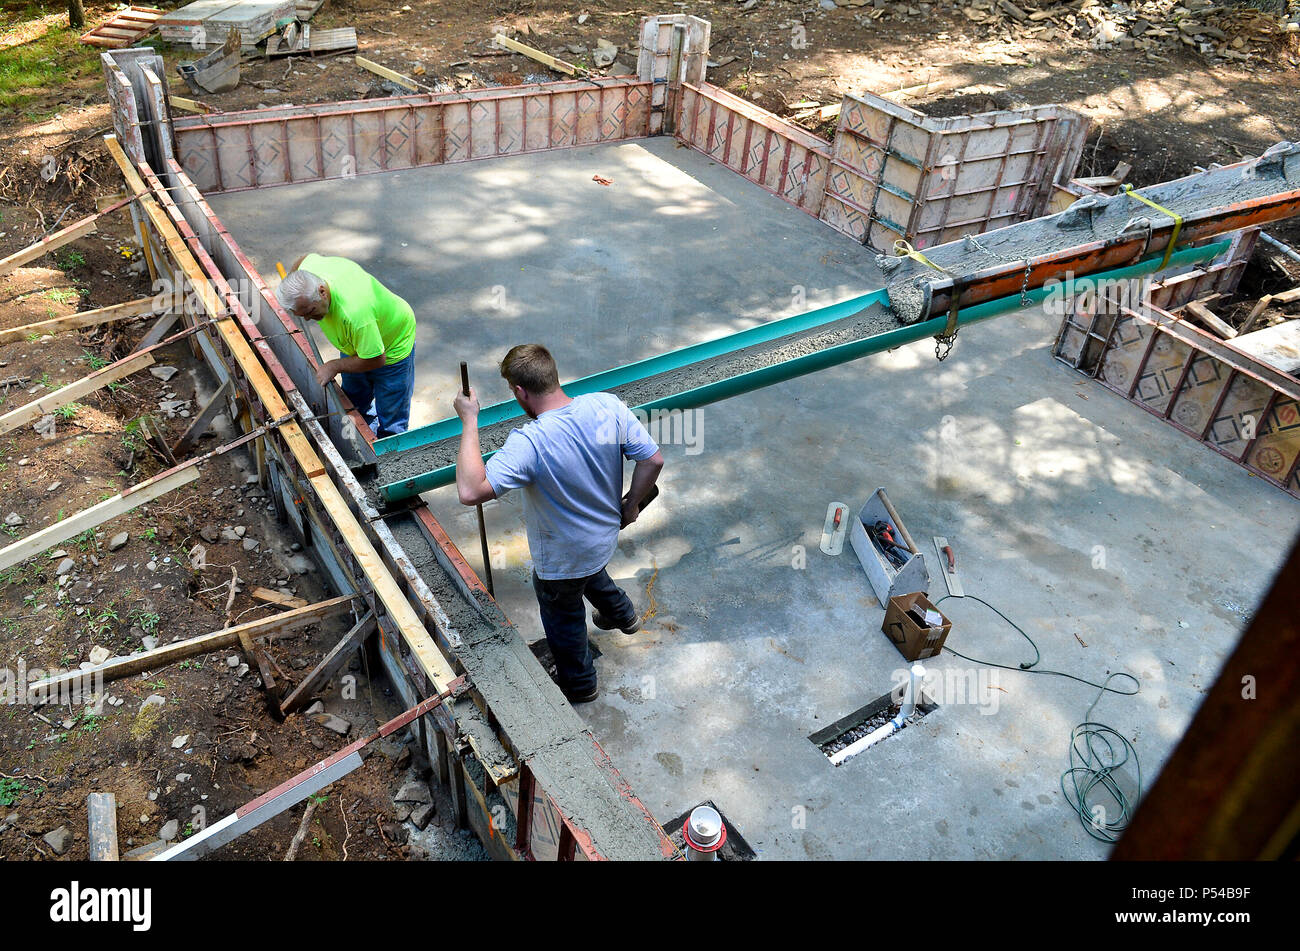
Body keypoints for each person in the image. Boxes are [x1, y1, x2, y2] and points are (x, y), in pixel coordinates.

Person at [453, 344, 664, 704]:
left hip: (563, 557)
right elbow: (653, 460)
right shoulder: (606, 405)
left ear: (520, 391)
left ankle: (581, 684)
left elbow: (470, 490)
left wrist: (469, 420)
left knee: (563, 610)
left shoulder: (530, 442)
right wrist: (629, 506)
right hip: (604, 537)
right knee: (589, 570)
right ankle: (623, 615)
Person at [275, 253, 417, 438]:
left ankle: (389, 445)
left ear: (322, 292)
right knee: (354, 397)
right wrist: (290, 281)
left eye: (310, 311)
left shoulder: (355, 315)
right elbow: (303, 258)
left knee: (391, 410)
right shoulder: (309, 271)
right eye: (302, 315)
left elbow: (376, 359)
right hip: (357, 344)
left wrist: (334, 366)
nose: (308, 319)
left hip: (391, 347)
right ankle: (364, 430)